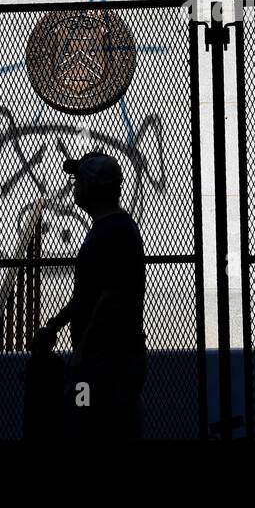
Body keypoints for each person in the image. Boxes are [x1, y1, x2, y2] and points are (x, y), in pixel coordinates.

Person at [40, 152, 147, 440]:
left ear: (91, 187)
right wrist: (56, 324)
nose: (74, 186)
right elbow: (90, 294)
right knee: (100, 423)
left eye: (78, 181)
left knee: (88, 423)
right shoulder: (112, 229)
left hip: (105, 363)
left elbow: (110, 298)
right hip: (110, 360)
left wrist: (82, 352)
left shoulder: (112, 232)